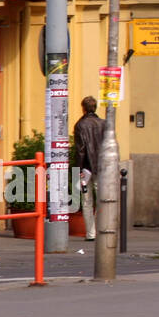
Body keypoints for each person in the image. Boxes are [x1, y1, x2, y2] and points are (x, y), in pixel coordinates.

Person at [72, 96, 105, 241]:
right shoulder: (104, 124)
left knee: (86, 201)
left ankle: (91, 233)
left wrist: (78, 169)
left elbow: (80, 150)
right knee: (101, 200)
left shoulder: (80, 125)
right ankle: (101, 229)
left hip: (86, 168)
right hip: (101, 167)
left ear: (83, 108)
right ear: (95, 107)